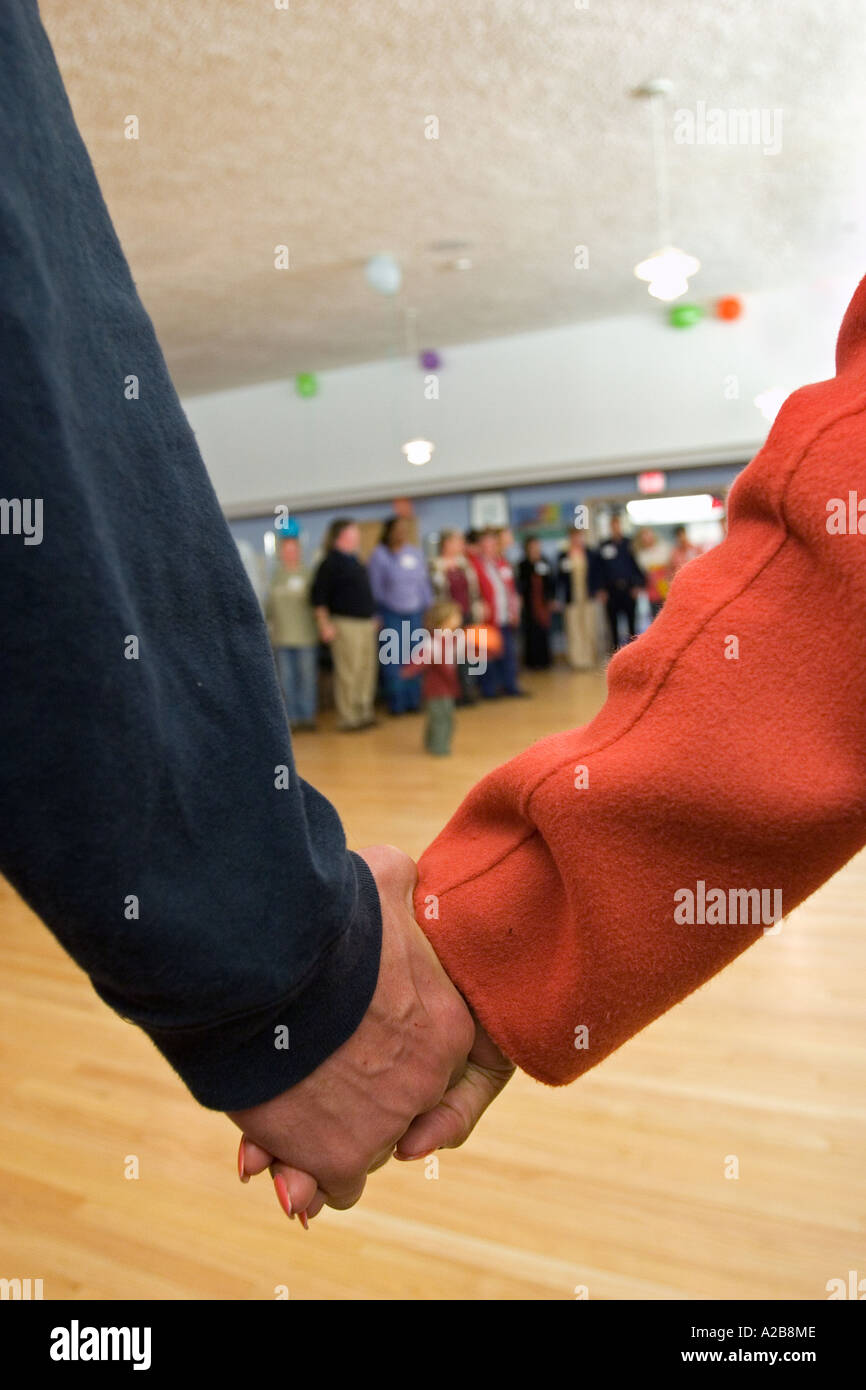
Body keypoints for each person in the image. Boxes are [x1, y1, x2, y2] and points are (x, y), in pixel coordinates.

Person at [310, 519, 377, 731]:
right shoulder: (329, 563)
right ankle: (348, 718)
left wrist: (371, 615)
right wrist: (324, 625)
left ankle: (364, 712)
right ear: (341, 535)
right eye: (353, 531)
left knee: (366, 670)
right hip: (345, 624)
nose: (357, 534)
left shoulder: (355, 560)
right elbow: (318, 598)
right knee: (349, 671)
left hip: (365, 623)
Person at [367, 516, 433, 715]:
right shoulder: (379, 556)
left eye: (404, 529)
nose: (402, 533)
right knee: (393, 658)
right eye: (398, 529)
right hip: (391, 613)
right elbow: (375, 588)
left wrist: (429, 608)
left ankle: (414, 699)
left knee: (416, 656)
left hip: (415, 612)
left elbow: (423, 583)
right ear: (389, 531)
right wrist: (377, 613)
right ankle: (397, 702)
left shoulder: (414, 553)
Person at [265, 534, 319, 730]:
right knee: (286, 681)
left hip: (305, 636)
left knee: (307, 680)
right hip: (282, 638)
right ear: (281, 553)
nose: (290, 554)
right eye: (286, 550)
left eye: (293, 550)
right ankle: (293, 719)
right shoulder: (276, 577)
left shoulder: (308, 574)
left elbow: (317, 604)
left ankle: (307, 717)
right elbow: (268, 607)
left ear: (299, 552)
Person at [469, 528, 525, 697]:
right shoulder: (475, 565)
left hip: (505, 616)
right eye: (486, 544)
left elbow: (510, 589)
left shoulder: (502, 563)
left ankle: (510, 686)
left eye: (493, 544)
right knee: (487, 655)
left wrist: (514, 611)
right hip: (487, 619)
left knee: (508, 653)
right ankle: (489, 690)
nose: (490, 547)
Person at [402, 599, 462, 756]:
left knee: (441, 717)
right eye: (455, 616)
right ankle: (439, 747)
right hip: (436, 690)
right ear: (444, 620)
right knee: (442, 718)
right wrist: (408, 671)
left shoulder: (453, 639)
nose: (459, 619)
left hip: (448, 687)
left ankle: (430, 742)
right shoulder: (432, 644)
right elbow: (419, 660)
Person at [431, 529, 482, 704]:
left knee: (468, 655)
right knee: (450, 656)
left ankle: (468, 691)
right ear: (446, 544)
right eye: (456, 541)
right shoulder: (436, 565)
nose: (460, 545)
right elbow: (436, 592)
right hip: (448, 619)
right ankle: (453, 694)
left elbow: (474, 589)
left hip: (466, 615)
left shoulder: (464, 564)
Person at [593, 512, 647, 652]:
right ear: (610, 528)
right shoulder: (604, 546)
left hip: (628, 590)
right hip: (611, 592)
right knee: (612, 624)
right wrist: (601, 589)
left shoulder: (630, 544)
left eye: (618, 525)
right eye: (613, 526)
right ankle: (615, 654)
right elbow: (599, 570)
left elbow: (638, 566)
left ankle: (633, 652)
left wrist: (638, 585)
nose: (616, 528)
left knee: (631, 624)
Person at [557, 526, 597, 670]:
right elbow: (560, 578)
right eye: (574, 537)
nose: (577, 540)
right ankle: (577, 660)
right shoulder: (563, 555)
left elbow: (597, 574)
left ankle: (589, 658)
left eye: (579, 536)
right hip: (571, 597)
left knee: (588, 627)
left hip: (587, 596)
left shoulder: (590, 553)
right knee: (574, 628)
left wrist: (597, 590)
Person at [517, 535, 555, 669]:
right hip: (529, 603)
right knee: (531, 632)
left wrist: (551, 598)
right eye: (533, 547)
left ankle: (545, 661)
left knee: (543, 631)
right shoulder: (522, 565)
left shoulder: (544, 561)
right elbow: (521, 585)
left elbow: (550, 582)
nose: (535, 549)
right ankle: (532, 662)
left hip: (543, 603)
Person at [634, 526, 672, 621]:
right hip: (652, 589)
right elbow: (645, 572)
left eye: (648, 534)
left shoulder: (664, 548)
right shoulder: (641, 554)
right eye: (644, 535)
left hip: (667, 586)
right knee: (656, 618)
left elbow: (670, 566)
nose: (647, 537)